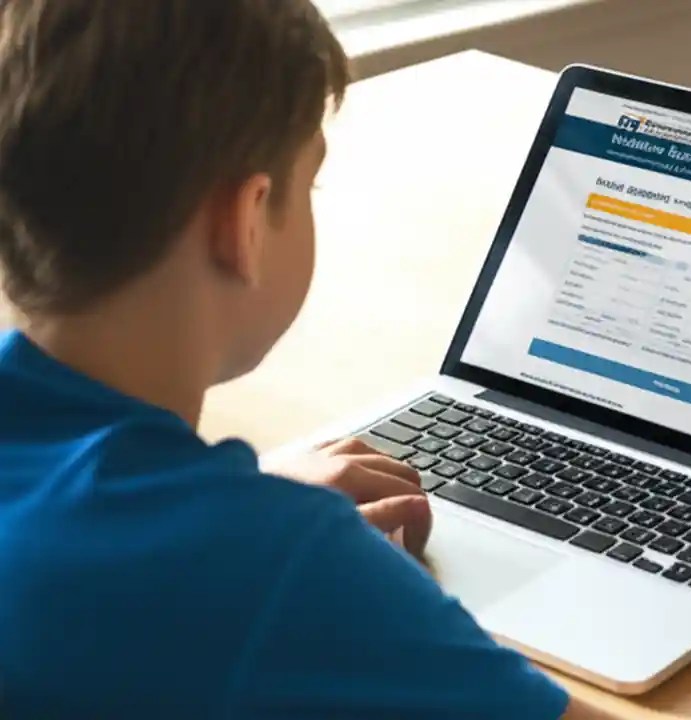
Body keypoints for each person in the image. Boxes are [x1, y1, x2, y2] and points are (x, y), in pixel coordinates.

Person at [0, 2, 618, 718]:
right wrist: (285, 545)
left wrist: (243, 502)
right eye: (310, 182)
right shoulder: (281, 574)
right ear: (246, 221)